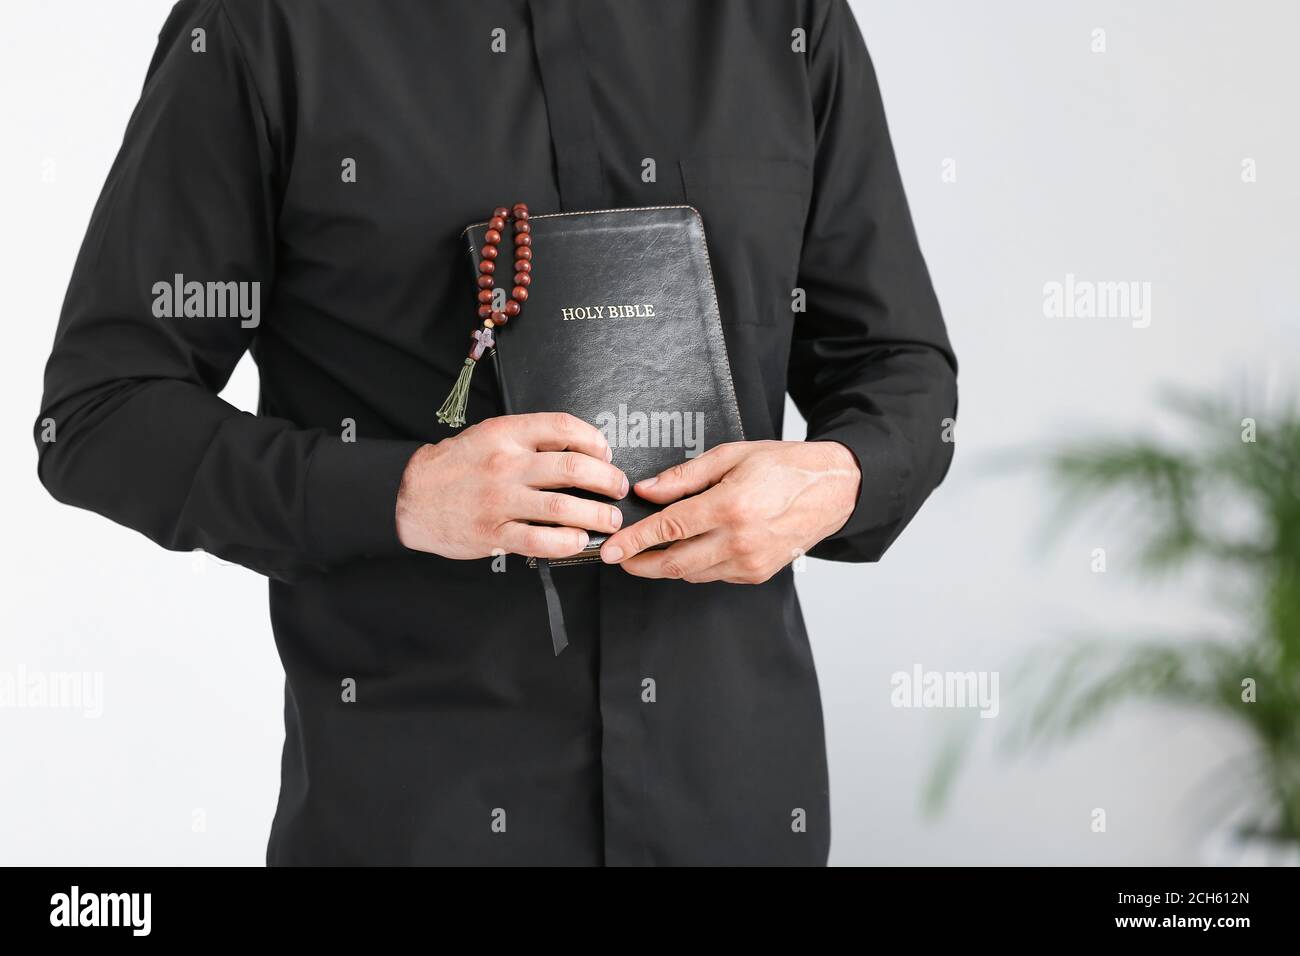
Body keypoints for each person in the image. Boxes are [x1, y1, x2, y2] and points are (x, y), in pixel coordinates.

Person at [35, 0, 956, 865]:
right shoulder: (268, 23)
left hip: (738, 812)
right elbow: (100, 409)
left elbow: (900, 369)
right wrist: (399, 497)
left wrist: (837, 478)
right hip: (413, 820)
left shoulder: (784, 17)